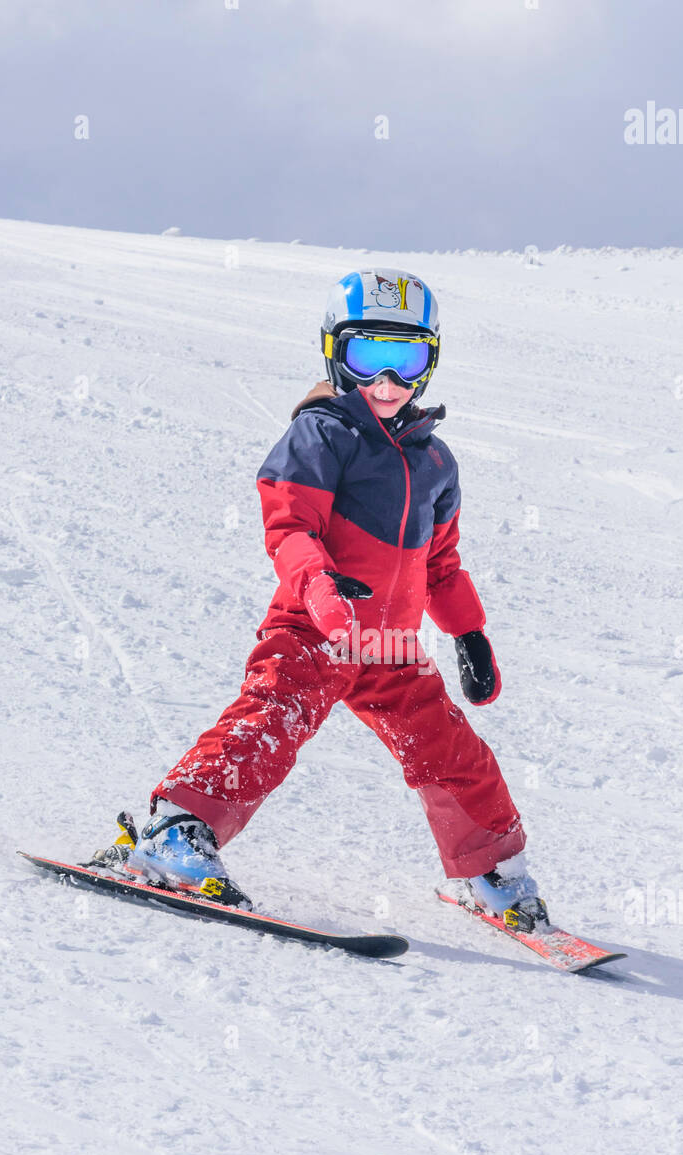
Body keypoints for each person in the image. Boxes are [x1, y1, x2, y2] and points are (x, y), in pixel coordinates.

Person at [113, 268, 549, 930]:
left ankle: (489, 870)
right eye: (366, 356)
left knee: (453, 754)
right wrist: (320, 589)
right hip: (314, 630)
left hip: (390, 649)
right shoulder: (320, 435)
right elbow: (288, 527)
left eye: (405, 360)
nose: (386, 381)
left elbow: (440, 565)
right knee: (271, 722)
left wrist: (469, 634)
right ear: (333, 354)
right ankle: (178, 830)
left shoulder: (435, 464)